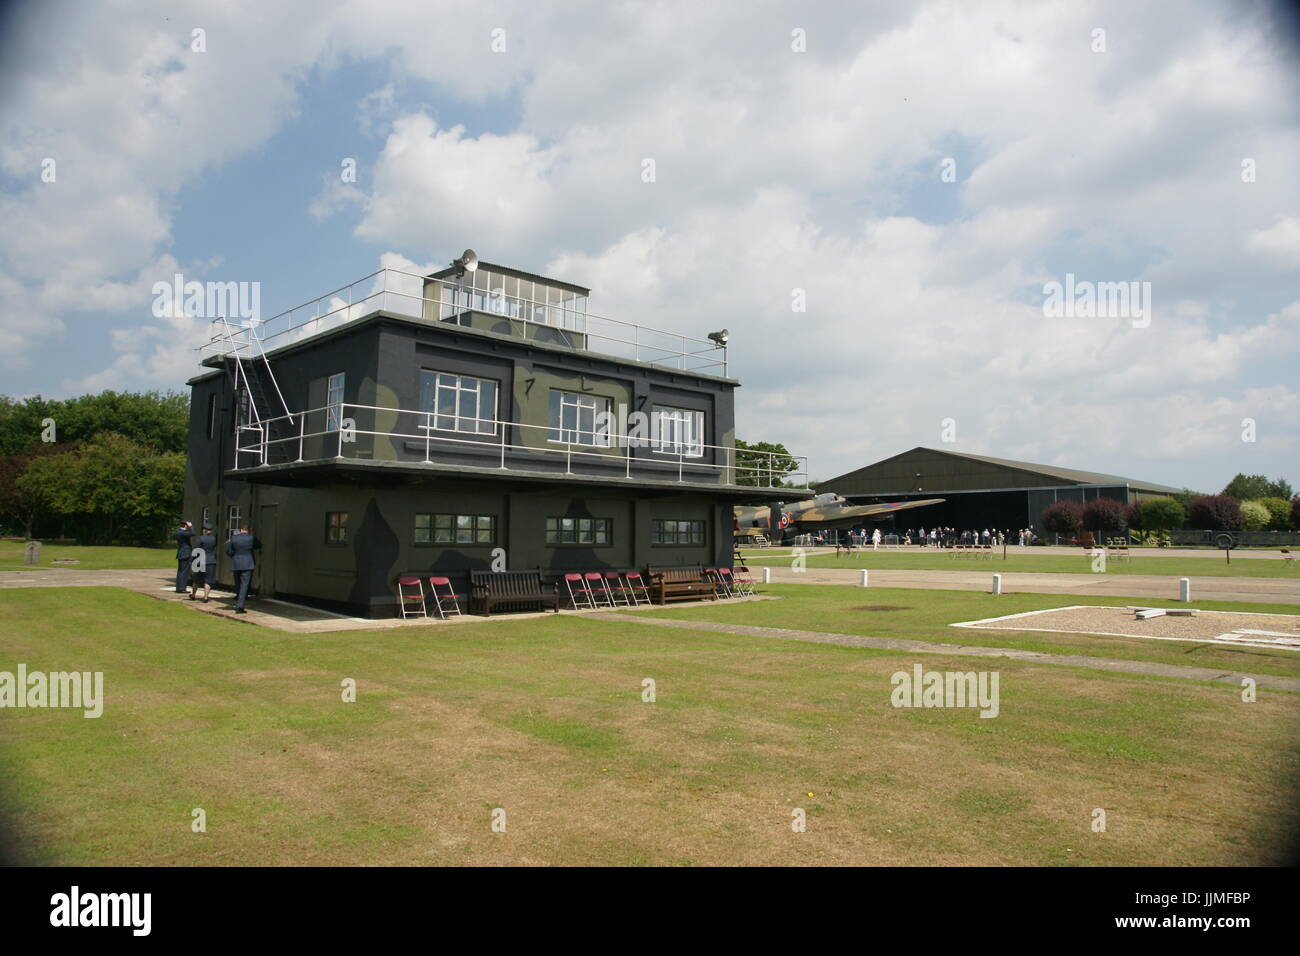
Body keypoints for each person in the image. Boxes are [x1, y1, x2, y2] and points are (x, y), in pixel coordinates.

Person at [225, 524, 262, 614]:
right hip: (247, 563)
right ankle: (240, 606)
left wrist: (234, 556)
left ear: (241, 530)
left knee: (238, 583)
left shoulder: (234, 538)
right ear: (249, 530)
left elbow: (228, 551)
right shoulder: (251, 538)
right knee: (244, 585)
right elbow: (259, 545)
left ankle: (238, 598)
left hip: (236, 563)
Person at [189, 523, 217, 603]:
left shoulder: (200, 538)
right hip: (211, 561)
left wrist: (192, 559)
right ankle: (205, 597)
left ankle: (193, 595)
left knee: (196, 579)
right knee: (208, 580)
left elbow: (197, 549)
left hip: (200, 561)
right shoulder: (214, 539)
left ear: (204, 530)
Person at [174, 520, 194, 593]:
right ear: (185, 525)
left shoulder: (178, 532)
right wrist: (191, 526)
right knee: (184, 572)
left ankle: (179, 587)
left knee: (180, 571)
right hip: (185, 553)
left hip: (181, 553)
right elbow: (193, 533)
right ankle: (182, 588)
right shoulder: (182, 533)